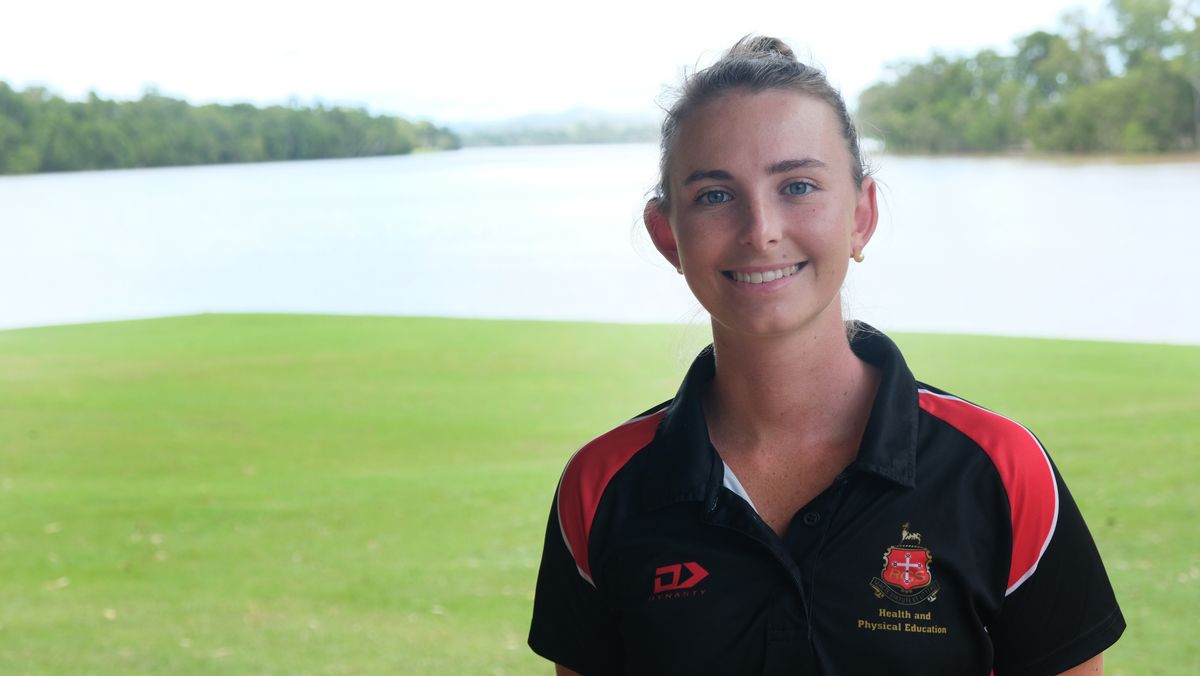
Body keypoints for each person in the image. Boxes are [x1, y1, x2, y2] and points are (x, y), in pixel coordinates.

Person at [528, 36, 1124, 675]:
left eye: (799, 185)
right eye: (714, 195)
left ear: (861, 215)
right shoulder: (601, 486)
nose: (762, 230)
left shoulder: (1002, 470)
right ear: (667, 236)